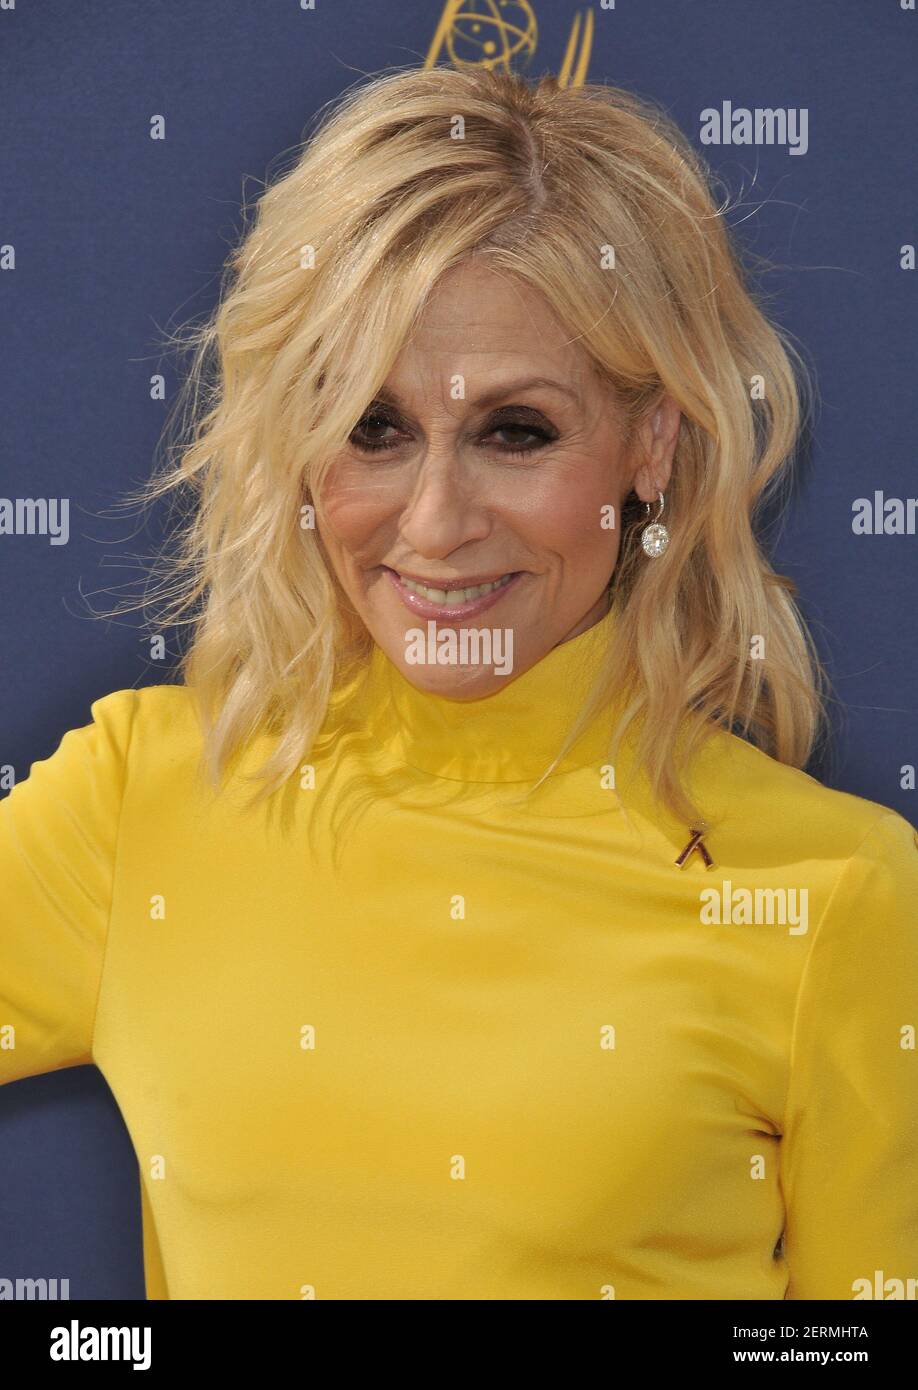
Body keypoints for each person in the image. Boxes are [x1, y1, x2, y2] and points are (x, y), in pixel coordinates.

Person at [2, 65, 917, 1302]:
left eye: (516, 431)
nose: (434, 523)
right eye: (373, 427)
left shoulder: (838, 897)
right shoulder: (141, 801)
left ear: (653, 446)